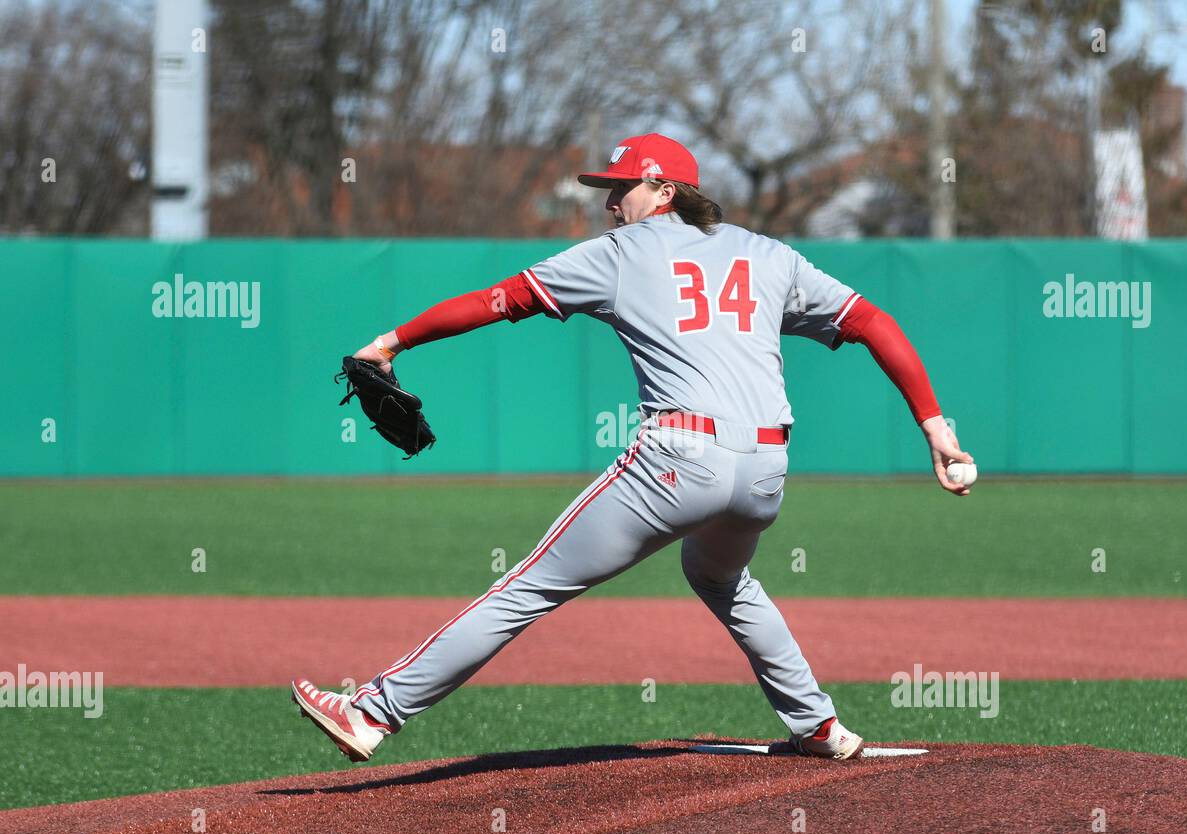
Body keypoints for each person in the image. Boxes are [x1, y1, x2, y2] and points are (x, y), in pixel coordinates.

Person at [291, 132, 974, 763]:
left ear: (666, 193)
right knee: (720, 577)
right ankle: (817, 727)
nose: (611, 203)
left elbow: (496, 301)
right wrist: (936, 428)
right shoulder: (770, 255)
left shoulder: (620, 253)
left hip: (679, 459)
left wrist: (390, 342)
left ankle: (373, 713)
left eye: (623, 188)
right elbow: (871, 321)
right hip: (765, 469)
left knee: (527, 586)